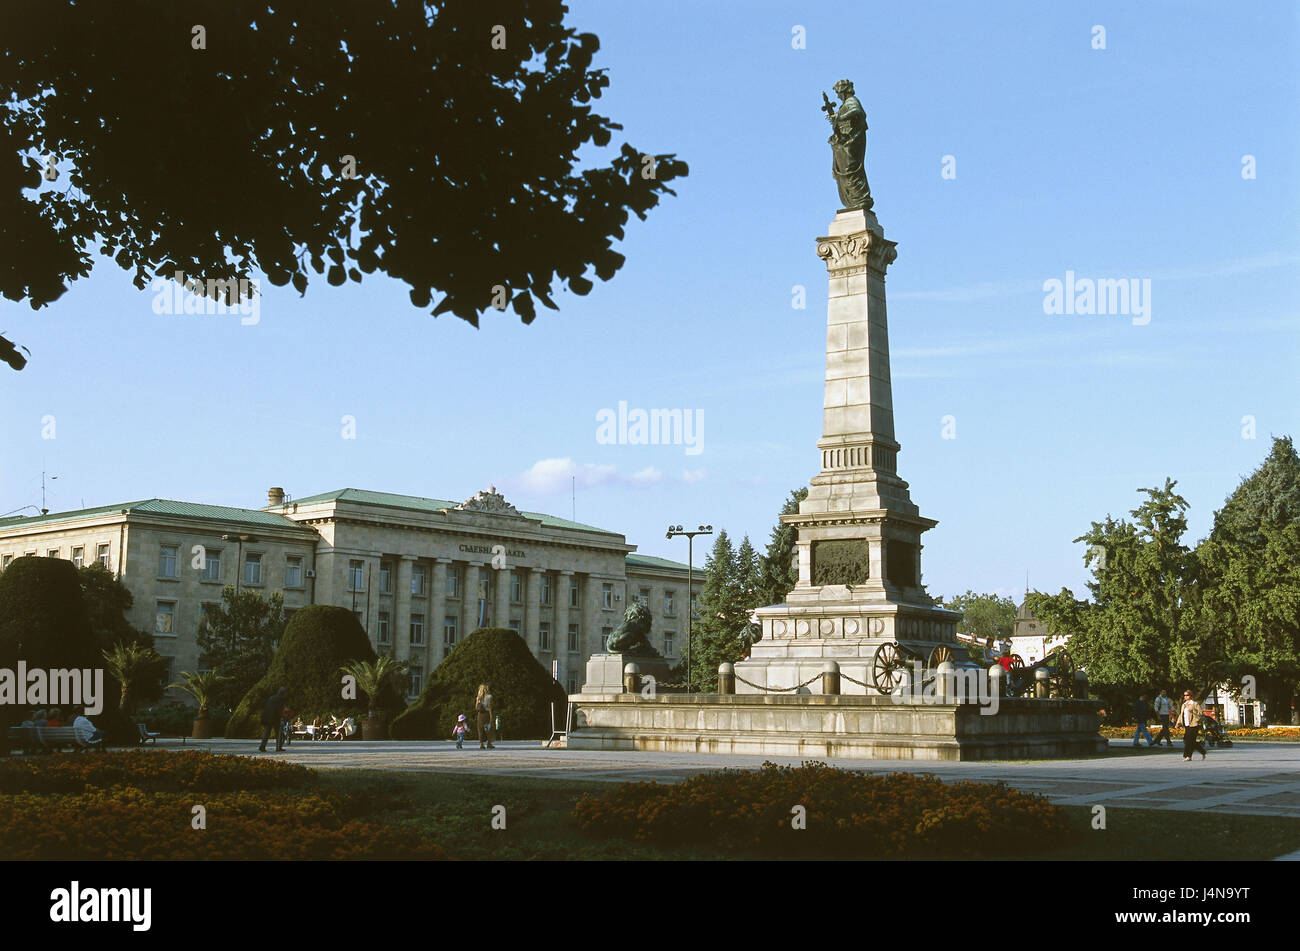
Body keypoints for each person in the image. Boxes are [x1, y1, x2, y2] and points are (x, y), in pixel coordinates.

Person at [1180, 690, 1207, 761]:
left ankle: (1188, 756)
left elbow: (1200, 714)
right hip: (1187, 724)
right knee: (1188, 740)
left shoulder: (1195, 704)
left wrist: (1193, 711)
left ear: (1191, 696)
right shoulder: (1184, 704)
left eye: (1187, 695)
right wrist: (1178, 723)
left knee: (1189, 741)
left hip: (1194, 724)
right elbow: (1181, 714)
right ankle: (1202, 751)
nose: (1185, 696)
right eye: (1185, 695)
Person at [258, 686, 288, 752]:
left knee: (266, 733)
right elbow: (279, 710)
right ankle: (278, 747)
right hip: (274, 718)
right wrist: (284, 717)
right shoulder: (280, 699)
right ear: (283, 693)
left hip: (267, 717)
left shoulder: (271, 697)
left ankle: (262, 746)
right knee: (280, 734)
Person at [475, 684, 495, 749]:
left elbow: (476, 707)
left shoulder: (478, 698)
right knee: (488, 729)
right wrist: (491, 716)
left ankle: (481, 744)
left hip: (480, 714)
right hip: (486, 714)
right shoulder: (489, 697)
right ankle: (489, 743)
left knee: (480, 729)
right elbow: (489, 707)